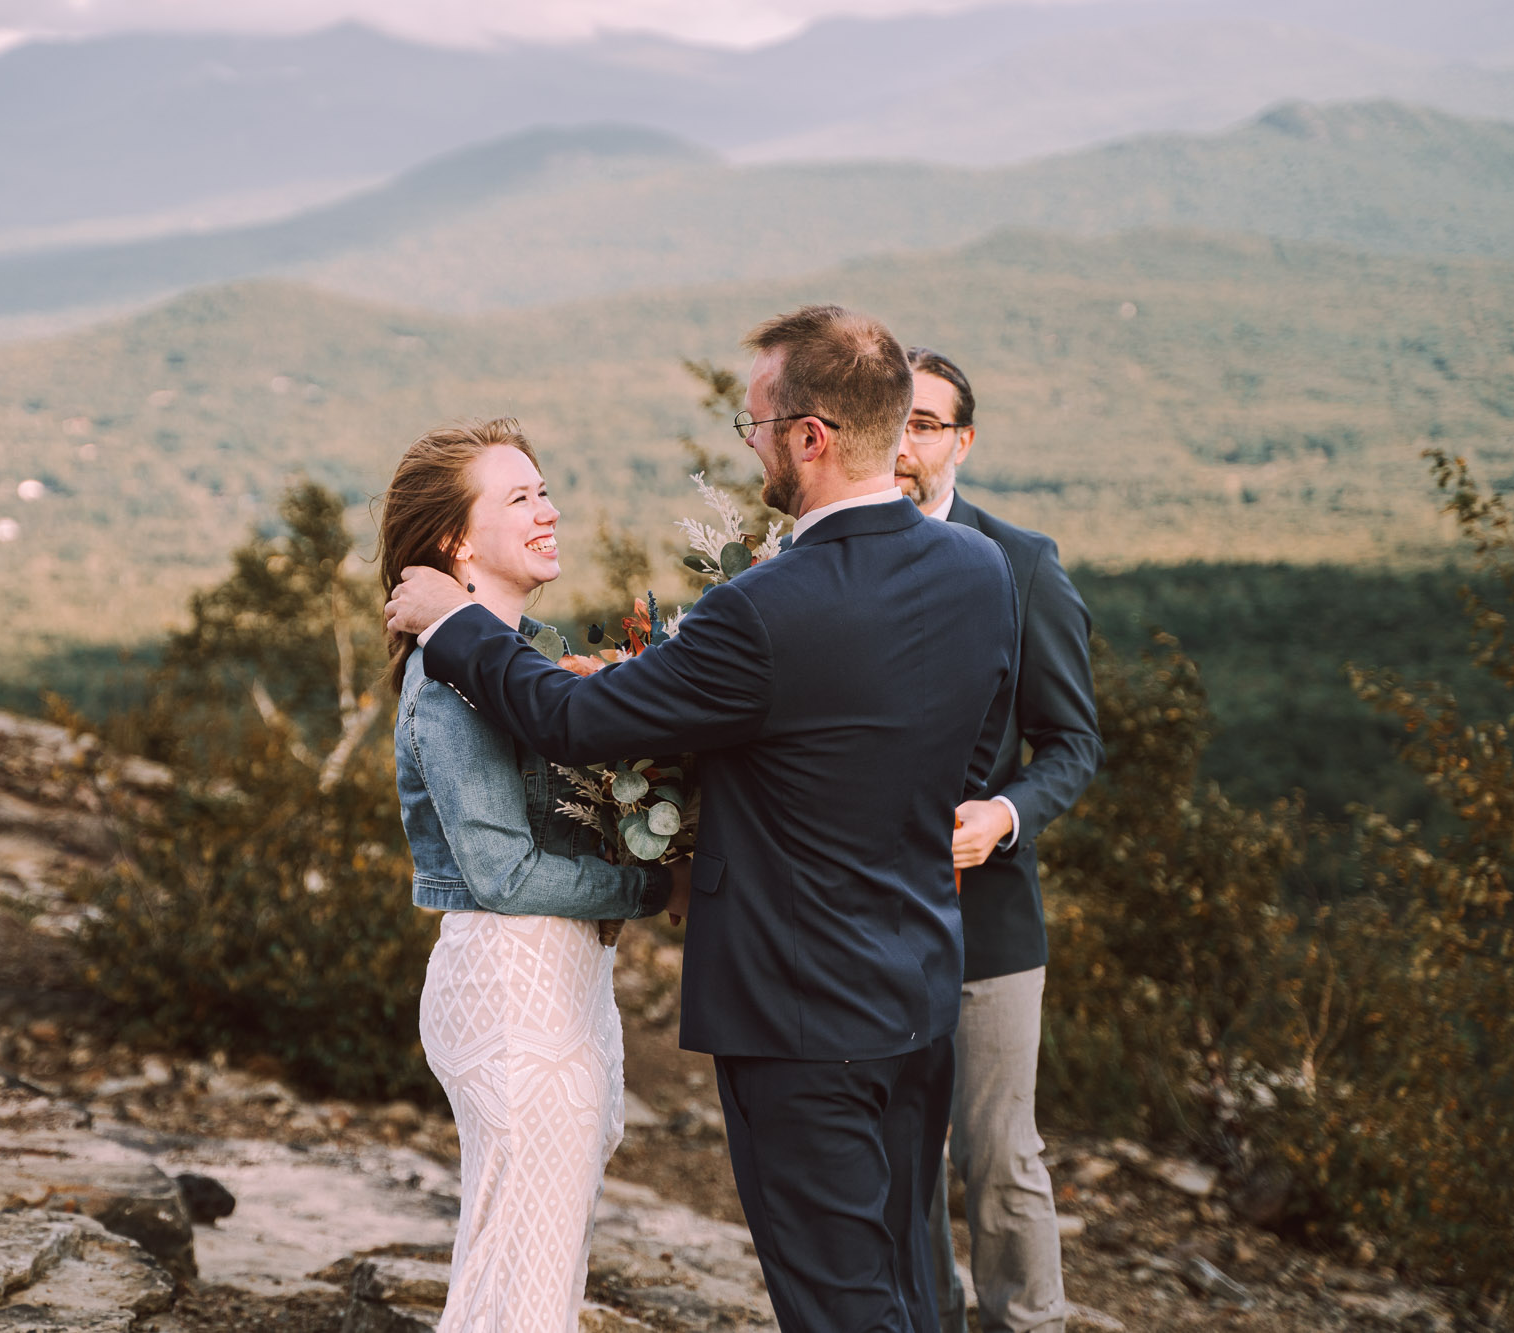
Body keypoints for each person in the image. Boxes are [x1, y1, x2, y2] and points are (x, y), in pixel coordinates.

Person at [388, 306, 1018, 1332]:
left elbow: (573, 720)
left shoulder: (763, 610)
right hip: (916, 994)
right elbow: (969, 756)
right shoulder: (979, 572)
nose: (750, 444)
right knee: (906, 1286)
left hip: (796, 1018)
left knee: (840, 1307)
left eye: (756, 423)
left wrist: (458, 624)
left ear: (809, 437)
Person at [381, 418, 685, 1333]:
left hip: (563, 979)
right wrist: (653, 888)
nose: (548, 510)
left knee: (526, 1272)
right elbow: (504, 874)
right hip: (512, 984)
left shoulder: (530, 661)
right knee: (525, 1286)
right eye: (519, 497)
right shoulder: (452, 682)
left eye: (544, 489)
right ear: (457, 541)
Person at [898, 348, 1103, 1333]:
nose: (904, 442)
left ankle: (1028, 1322)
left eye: (925, 423)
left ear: (963, 441)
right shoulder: (817, 559)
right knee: (898, 1155)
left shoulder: (1022, 565)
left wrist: (1003, 815)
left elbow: (1072, 742)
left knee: (996, 1153)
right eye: (891, 420)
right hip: (865, 920)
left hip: (987, 920)